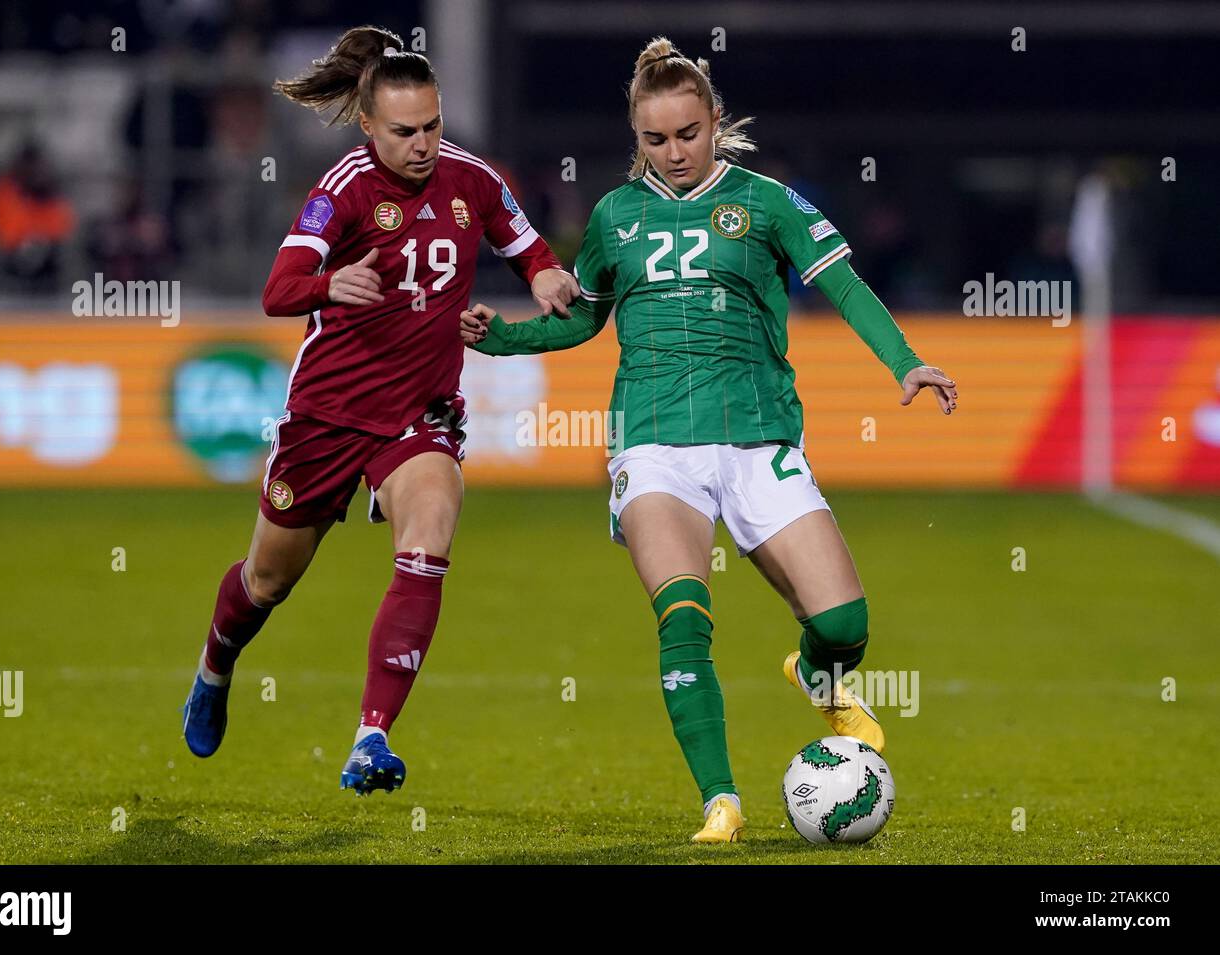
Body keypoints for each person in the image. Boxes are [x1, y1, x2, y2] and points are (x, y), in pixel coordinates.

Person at [461, 37, 957, 843]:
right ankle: (719, 799)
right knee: (684, 612)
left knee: (844, 622)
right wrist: (500, 340)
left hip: (758, 436)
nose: (674, 152)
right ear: (636, 138)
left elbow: (842, 281)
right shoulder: (617, 216)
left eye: (688, 134)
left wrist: (906, 361)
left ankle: (821, 675)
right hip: (653, 441)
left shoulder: (767, 202)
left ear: (715, 122)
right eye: (655, 140)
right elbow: (585, 317)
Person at [181, 25, 578, 797]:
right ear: (369, 125)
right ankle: (214, 667)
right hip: (328, 413)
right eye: (405, 131)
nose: (424, 143)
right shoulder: (342, 190)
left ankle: (371, 736)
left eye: (433, 125)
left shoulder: (473, 180)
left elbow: (525, 244)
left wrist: (545, 278)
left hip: (420, 411)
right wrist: (331, 284)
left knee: (429, 538)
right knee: (266, 581)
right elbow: (277, 291)